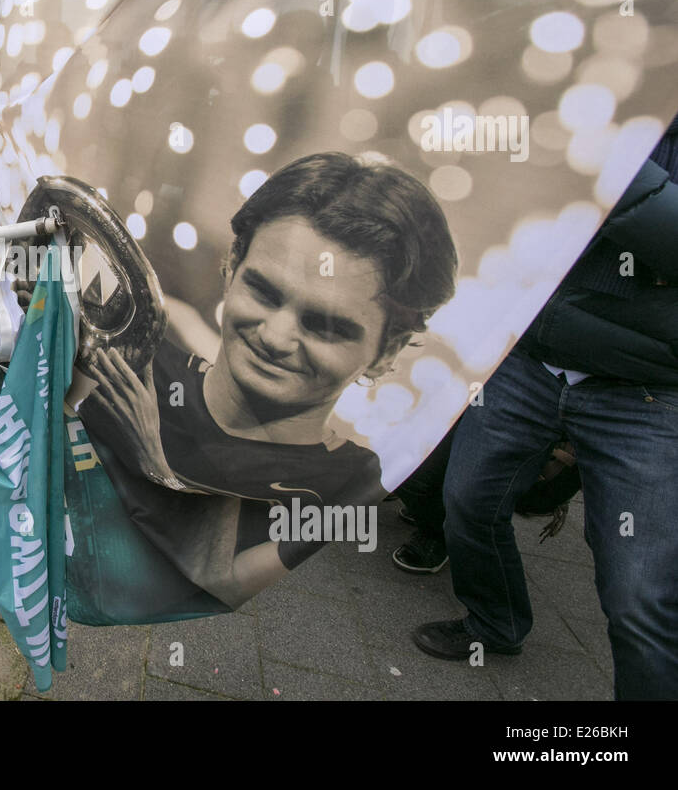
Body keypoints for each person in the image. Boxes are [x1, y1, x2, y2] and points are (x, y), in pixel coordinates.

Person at [73, 152, 457, 613]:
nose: (275, 337)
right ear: (231, 269)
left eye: (325, 326)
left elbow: (223, 583)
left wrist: (152, 457)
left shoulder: (350, 478)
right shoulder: (147, 359)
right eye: (263, 291)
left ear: (386, 353)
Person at [414, 120, 678, 700]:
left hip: (647, 391)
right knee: (469, 502)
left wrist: (610, 163)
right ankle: (496, 622)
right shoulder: (598, 83)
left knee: (640, 595)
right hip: (531, 357)